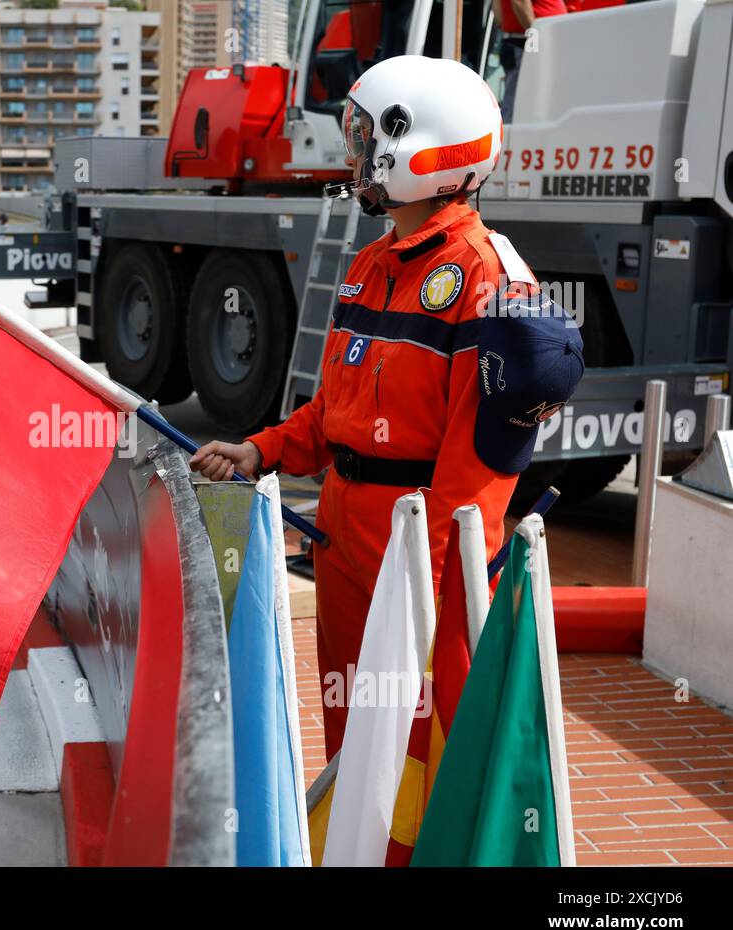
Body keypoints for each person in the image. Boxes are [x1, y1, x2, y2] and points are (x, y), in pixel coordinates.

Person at [190, 55, 584, 760]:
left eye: (364, 138)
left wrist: (429, 586)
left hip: (414, 548)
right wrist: (262, 450)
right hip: (341, 537)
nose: (353, 156)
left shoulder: (487, 280)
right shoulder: (374, 263)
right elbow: (333, 411)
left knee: (412, 749)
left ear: (421, 145)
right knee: (350, 735)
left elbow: (477, 477)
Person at [494, 0, 567, 122]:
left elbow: (499, 18)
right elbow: (519, 2)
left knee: (526, 105)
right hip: (526, 43)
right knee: (517, 108)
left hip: (523, 42)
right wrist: (538, 39)